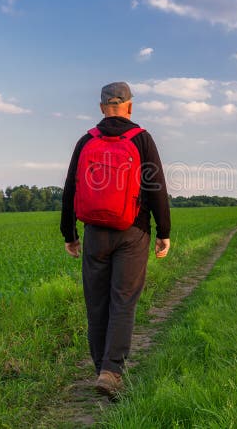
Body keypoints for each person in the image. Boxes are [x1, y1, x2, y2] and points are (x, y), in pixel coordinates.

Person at [61, 81, 171, 397]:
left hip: (94, 233)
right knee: (123, 300)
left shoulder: (86, 141)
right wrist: (163, 232)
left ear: (101, 108)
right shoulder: (142, 140)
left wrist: (69, 233)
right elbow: (157, 188)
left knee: (96, 303)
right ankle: (111, 372)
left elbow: (70, 188)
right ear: (130, 106)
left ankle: (101, 369)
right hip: (133, 232)